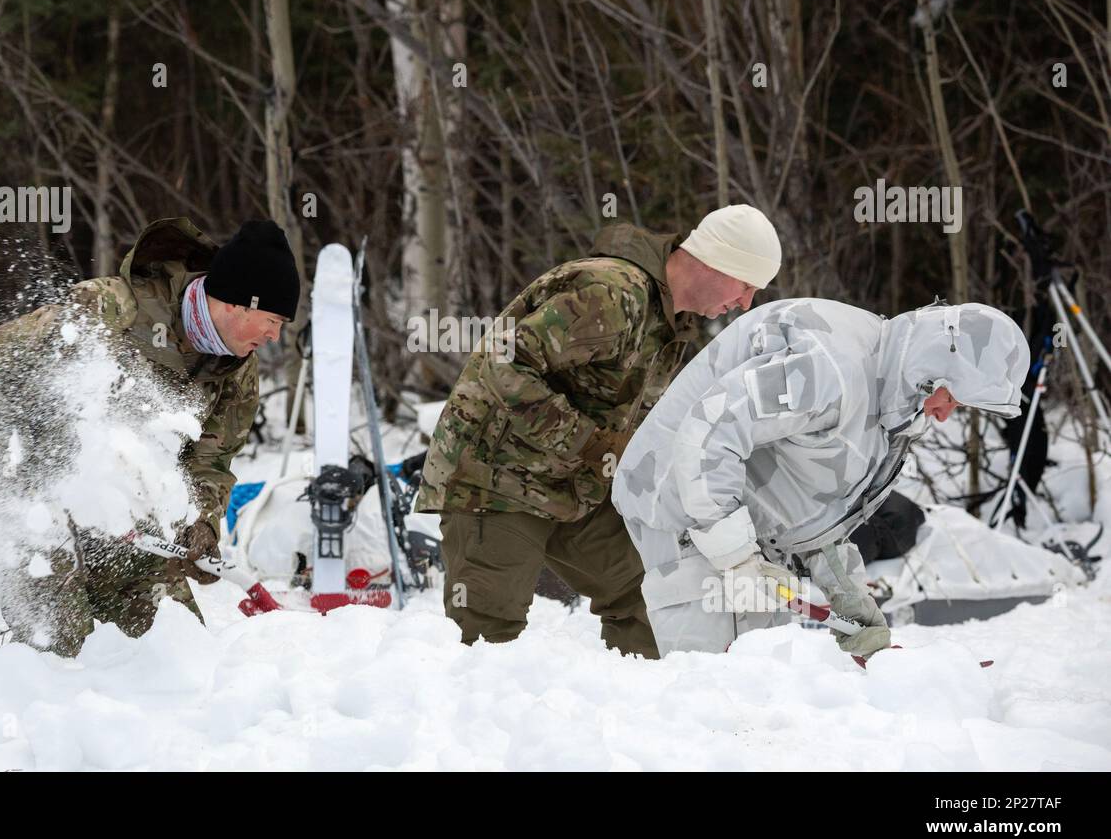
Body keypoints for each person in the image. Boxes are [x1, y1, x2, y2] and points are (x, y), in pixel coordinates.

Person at [416, 205, 782, 658]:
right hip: (496, 478)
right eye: (745, 285)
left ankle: (633, 711)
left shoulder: (671, 324)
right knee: (489, 639)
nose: (745, 303)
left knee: (654, 596)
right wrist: (590, 445)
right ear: (714, 262)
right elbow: (504, 362)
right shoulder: (611, 293)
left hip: (576, 487)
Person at [611, 297, 1029, 660]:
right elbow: (710, 430)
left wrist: (847, 592)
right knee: (717, 684)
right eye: (951, 397)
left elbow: (809, 508)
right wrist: (736, 557)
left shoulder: (889, 399)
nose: (945, 414)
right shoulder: (833, 368)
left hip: (742, 528)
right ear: (932, 367)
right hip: (679, 503)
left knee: (757, 670)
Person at [0, 217, 298, 656]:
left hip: (136, 527)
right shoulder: (110, 310)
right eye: (272, 320)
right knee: (64, 652)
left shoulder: (236, 371)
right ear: (238, 302)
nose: (275, 337)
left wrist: (199, 524)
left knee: (178, 654)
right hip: (39, 507)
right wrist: (6, 473)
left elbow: (210, 460)